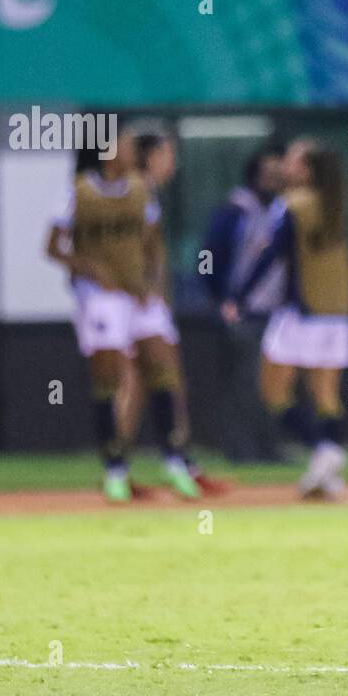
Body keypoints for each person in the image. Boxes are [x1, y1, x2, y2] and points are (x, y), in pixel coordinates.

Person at [46, 127, 200, 502]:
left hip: (137, 294)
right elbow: (52, 247)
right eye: (123, 144)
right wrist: (85, 265)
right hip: (99, 296)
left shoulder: (140, 191)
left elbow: (151, 244)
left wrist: (153, 285)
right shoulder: (78, 193)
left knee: (162, 366)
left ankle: (174, 460)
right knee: (109, 377)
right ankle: (115, 468)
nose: (130, 150)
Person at [222, 138, 348, 498]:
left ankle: (324, 451)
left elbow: (270, 256)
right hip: (338, 313)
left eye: (294, 161)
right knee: (327, 395)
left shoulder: (291, 205)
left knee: (273, 390)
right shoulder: (334, 203)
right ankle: (327, 476)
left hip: (303, 311)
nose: (285, 165)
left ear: (308, 171)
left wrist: (239, 297)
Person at [115, 129, 229, 496]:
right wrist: (145, 291)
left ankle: (118, 468)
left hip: (137, 302)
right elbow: (132, 249)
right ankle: (175, 463)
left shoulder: (140, 191)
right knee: (165, 380)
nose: (172, 164)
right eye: (167, 155)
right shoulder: (135, 191)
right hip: (141, 304)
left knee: (137, 386)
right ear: (150, 156)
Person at [200, 147, 291, 463]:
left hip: (277, 310)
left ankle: (269, 448)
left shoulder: (283, 211)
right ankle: (240, 450)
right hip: (243, 309)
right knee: (242, 384)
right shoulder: (234, 211)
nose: (274, 181)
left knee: (270, 384)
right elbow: (208, 257)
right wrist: (222, 299)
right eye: (269, 175)